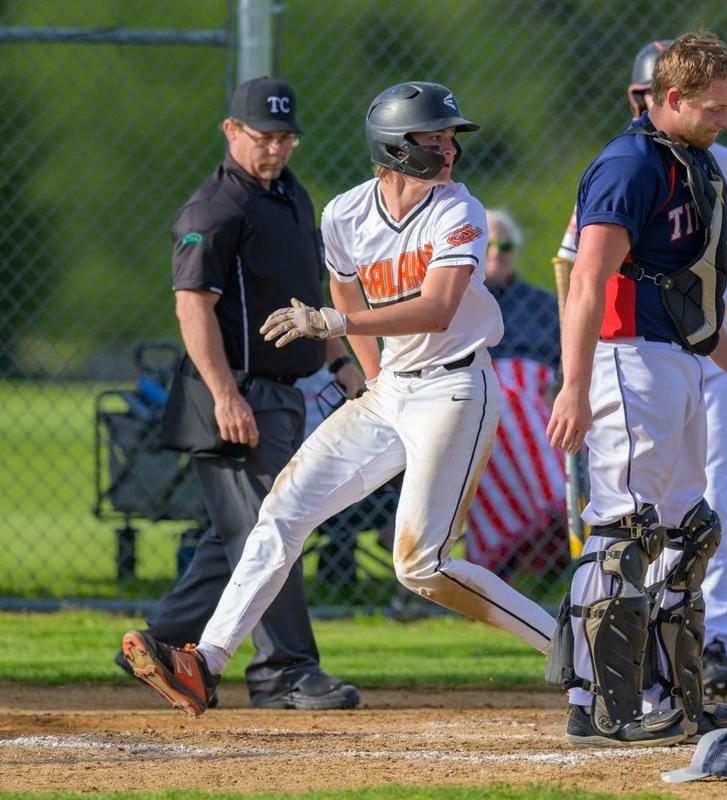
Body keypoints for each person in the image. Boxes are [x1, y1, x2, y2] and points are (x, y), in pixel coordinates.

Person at [121, 81, 555, 717]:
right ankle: (204, 663)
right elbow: (349, 294)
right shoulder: (344, 213)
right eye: (432, 137)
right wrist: (372, 374)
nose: (447, 148)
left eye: (448, 137)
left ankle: (574, 647)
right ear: (393, 147)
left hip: (455, 387)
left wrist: (332, 327)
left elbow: (436, 309)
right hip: (392, 394)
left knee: (420, 565)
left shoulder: (457, 210)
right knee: (282, 513)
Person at [112, 77, 364, 711]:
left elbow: (310, 290)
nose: (275, 149)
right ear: (231, 132)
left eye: (285, 137)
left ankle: (162, 639)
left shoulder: (292, 197)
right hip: (232, 397)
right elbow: (192, 308)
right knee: (273, 528)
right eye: (262, 137)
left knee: (239, 538)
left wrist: (340, 361)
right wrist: (227, 396)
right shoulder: (213, 208)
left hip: (281, 392)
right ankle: (284, 671)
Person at [545, 30, 727, 747]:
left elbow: (691, 307)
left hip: (676, 359)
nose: (724, 120)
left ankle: (670, 694)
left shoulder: (693, 167)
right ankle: (600, 705)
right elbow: (585, 281)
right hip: (625, 358)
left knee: (686, 530)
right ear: (672, 99)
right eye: (713, 107)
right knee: (624, 527)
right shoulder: (630, 165)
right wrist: (574, 386)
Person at [467, 208, 565, 576]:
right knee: (503, 405)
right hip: (487, 395)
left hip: (541, 396)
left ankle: (551, 513)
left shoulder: (541, 304)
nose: (496, 252)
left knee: (523, 406)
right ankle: (546, 505)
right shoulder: (459, 302)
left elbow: (565, 362)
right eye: (487, 244)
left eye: (504, 244)